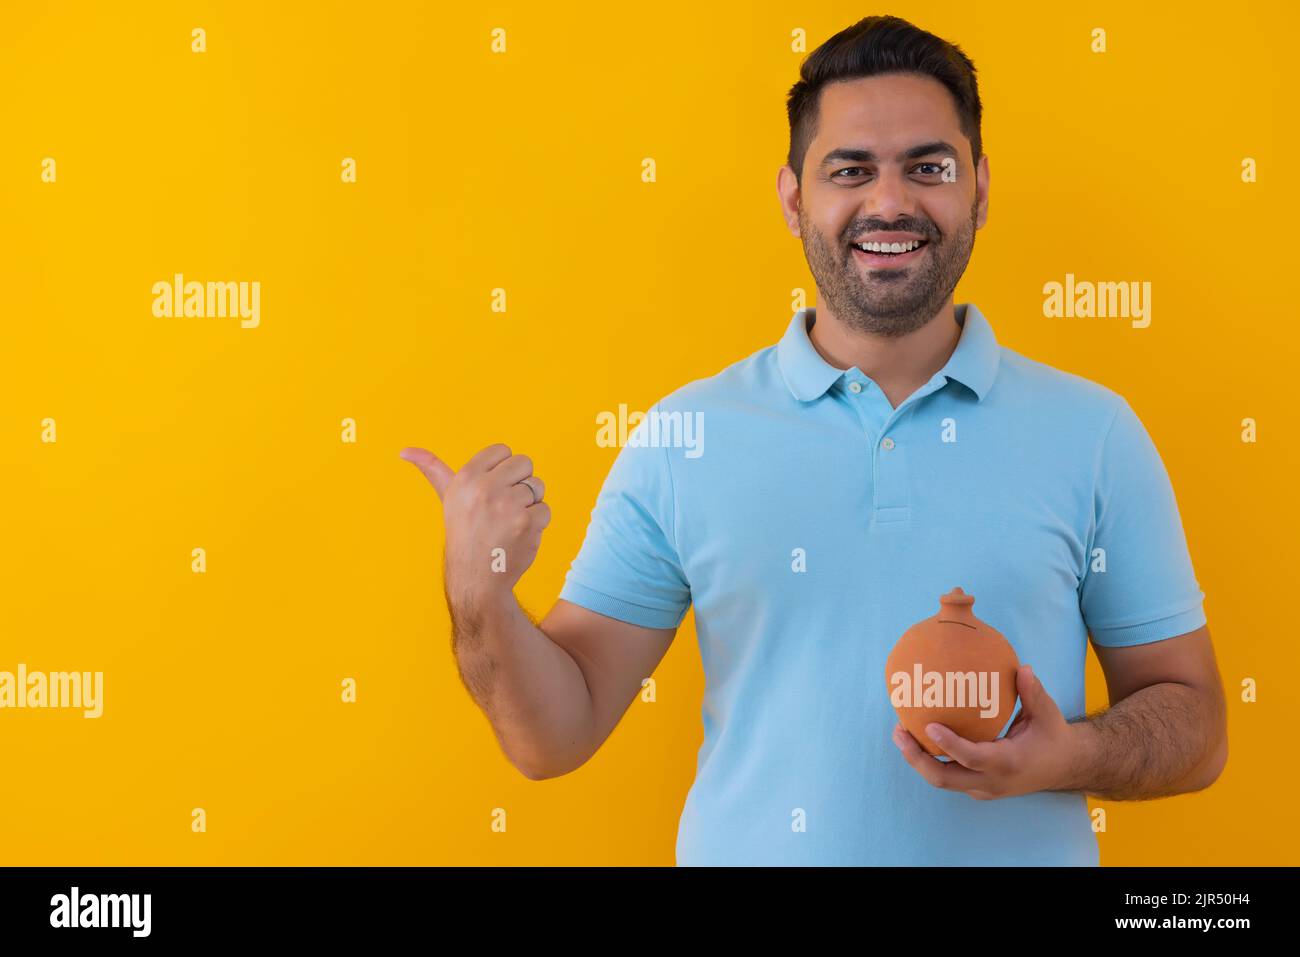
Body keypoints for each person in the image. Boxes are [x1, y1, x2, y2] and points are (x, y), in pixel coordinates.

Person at [400, 14, 1227, 865]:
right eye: (851, 171)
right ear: (795, 199)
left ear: (979, 186)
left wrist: (1071, 754)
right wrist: (480, 598)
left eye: (928, 167)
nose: (892, 201)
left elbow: (1195, 725)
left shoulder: (1093, 433)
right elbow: (554, 735)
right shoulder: (686, 436)